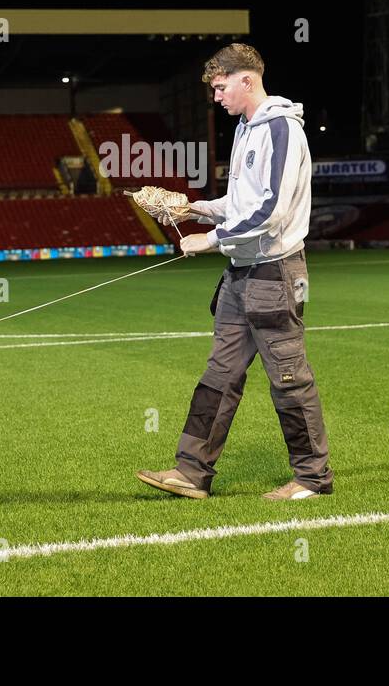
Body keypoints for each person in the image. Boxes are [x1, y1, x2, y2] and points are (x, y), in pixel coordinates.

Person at [137, 43, 333, 501]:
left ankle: (312, 479)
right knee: (219, 375)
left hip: (274, 274)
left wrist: (211, 240)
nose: (216, 97)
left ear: (247, 80)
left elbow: (270, 210)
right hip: (239, 276)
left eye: (221, 87)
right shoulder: (246, 129)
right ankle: (191, 472)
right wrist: (192, 208)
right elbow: (239, 205)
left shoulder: (282, 128)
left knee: (289, 378)